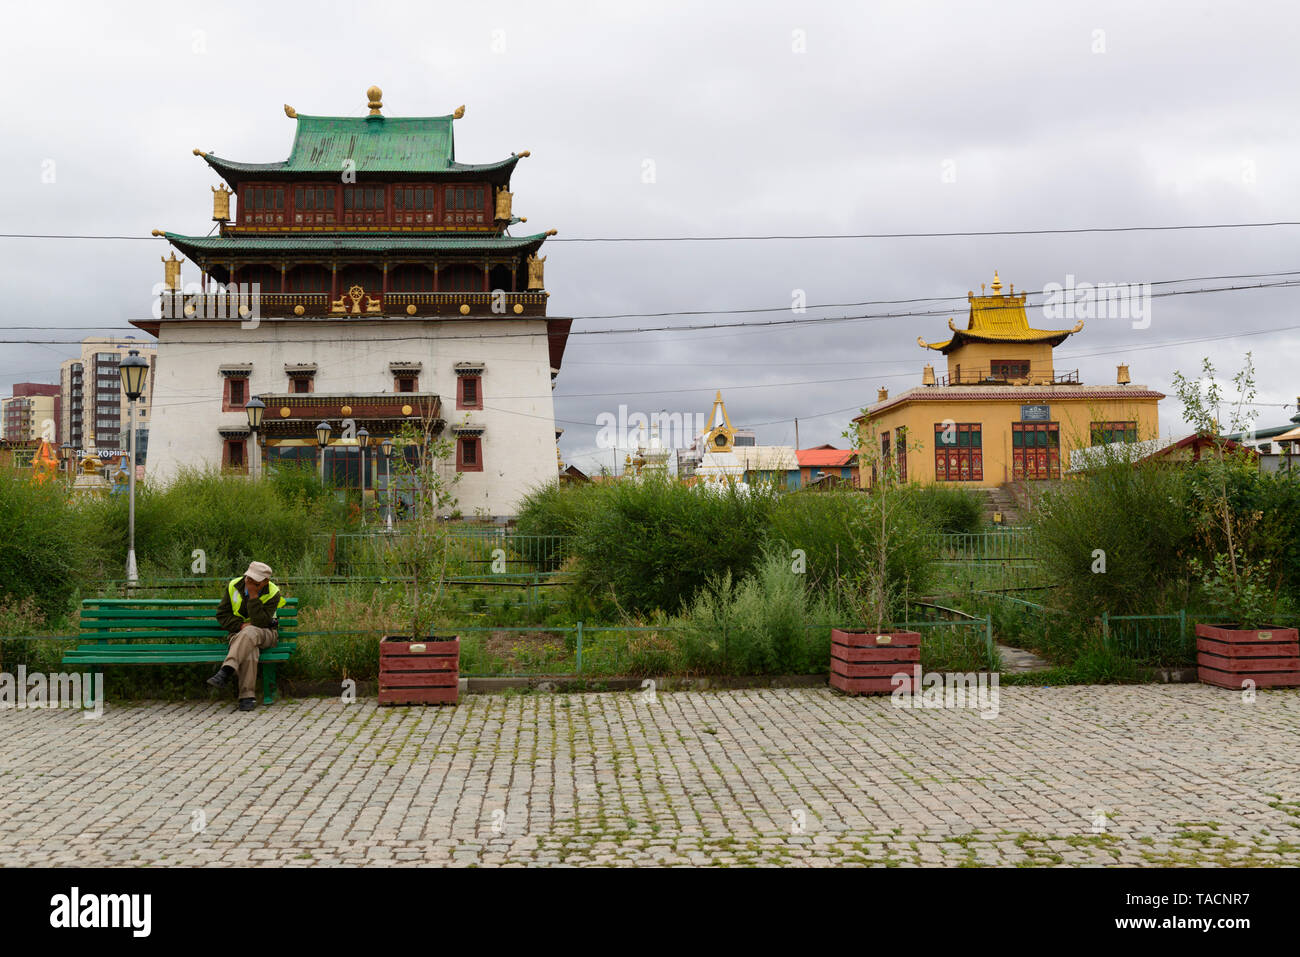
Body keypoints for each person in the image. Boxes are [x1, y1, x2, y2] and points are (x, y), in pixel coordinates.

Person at [207, 561, 286, 711]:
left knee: (251, 632)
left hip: (267, 633)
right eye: (248, 577)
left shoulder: (273, 592)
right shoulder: (233, 586)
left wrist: (254, 597)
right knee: (250, 649)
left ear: (265, 582)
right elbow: (222, 615)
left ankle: (226, 670)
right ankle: (247, 697)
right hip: (239, 634)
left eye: (254, 580)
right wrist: (241, 626)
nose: (249, 581)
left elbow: (260, 622)